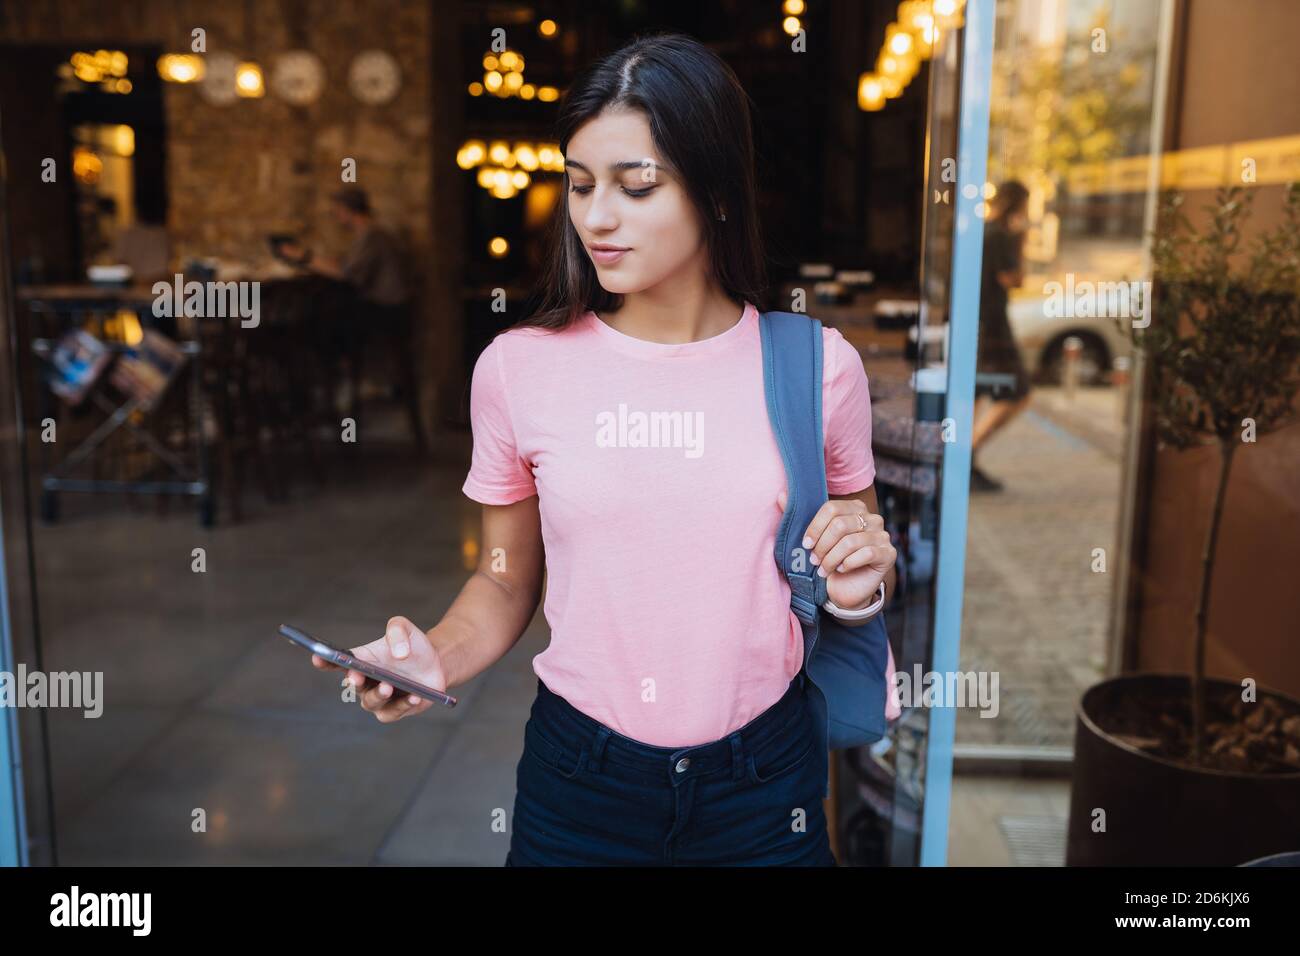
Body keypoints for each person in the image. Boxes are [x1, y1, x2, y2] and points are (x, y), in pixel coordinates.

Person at [309, 33, 899, 866]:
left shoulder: (815, 367)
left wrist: (860, 589)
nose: (596, 216)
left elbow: (859, 565)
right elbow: (503, 579)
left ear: (718, 191)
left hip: (764, 789)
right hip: (581, 786)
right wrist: (432, 656)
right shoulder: (519, 369)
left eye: (636, 186)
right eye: (581, 185)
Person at [280, 187, 422, 445]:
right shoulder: (371, 235)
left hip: (386, 316)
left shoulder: (373, 236)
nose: (336, 218)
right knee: (318, 323)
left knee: (311, 330)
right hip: (388, 313)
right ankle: (324, 396)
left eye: (337, 212)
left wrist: (303, 257)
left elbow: (348, 274)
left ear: (347, 211)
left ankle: (322, 398)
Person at [970, 179, 1033, 492]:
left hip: (976, 324)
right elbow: (1014, 279)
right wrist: (1022, 243)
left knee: (975, 394)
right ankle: (967, 454)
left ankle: (964, 460)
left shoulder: (982, 232)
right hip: (994, 327)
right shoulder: (1003, 236)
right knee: (1019, 392)